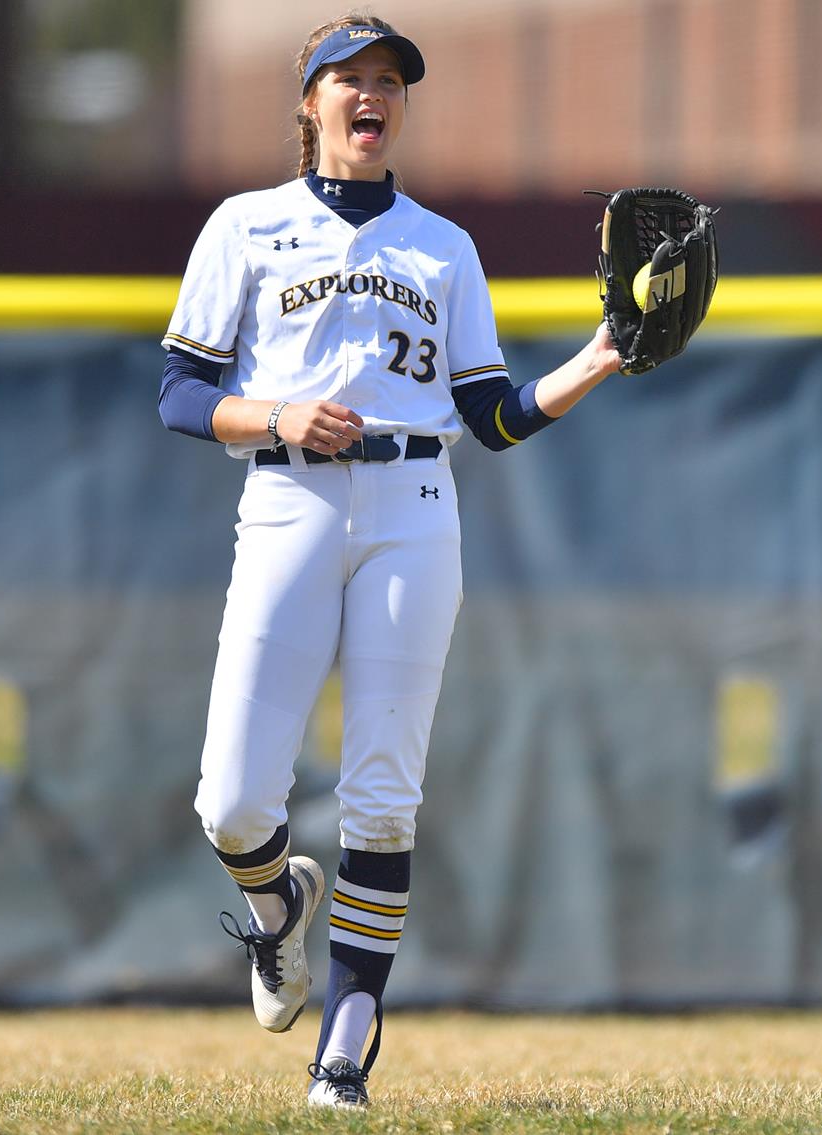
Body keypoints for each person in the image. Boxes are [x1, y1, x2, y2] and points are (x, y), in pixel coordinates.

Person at [157, 12, 623, 1109]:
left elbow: (493, 418)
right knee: (229, 801)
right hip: (288, 501)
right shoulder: (245, 225)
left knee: (381, 795)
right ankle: (277, 912)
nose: (371, 96)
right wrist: (273, 415)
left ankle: (346, 1046)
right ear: (309, 104)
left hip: (416, 502)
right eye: (348, 79)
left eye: (388, 81)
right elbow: (178, 394)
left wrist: (598, 357)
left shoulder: (441, 245)